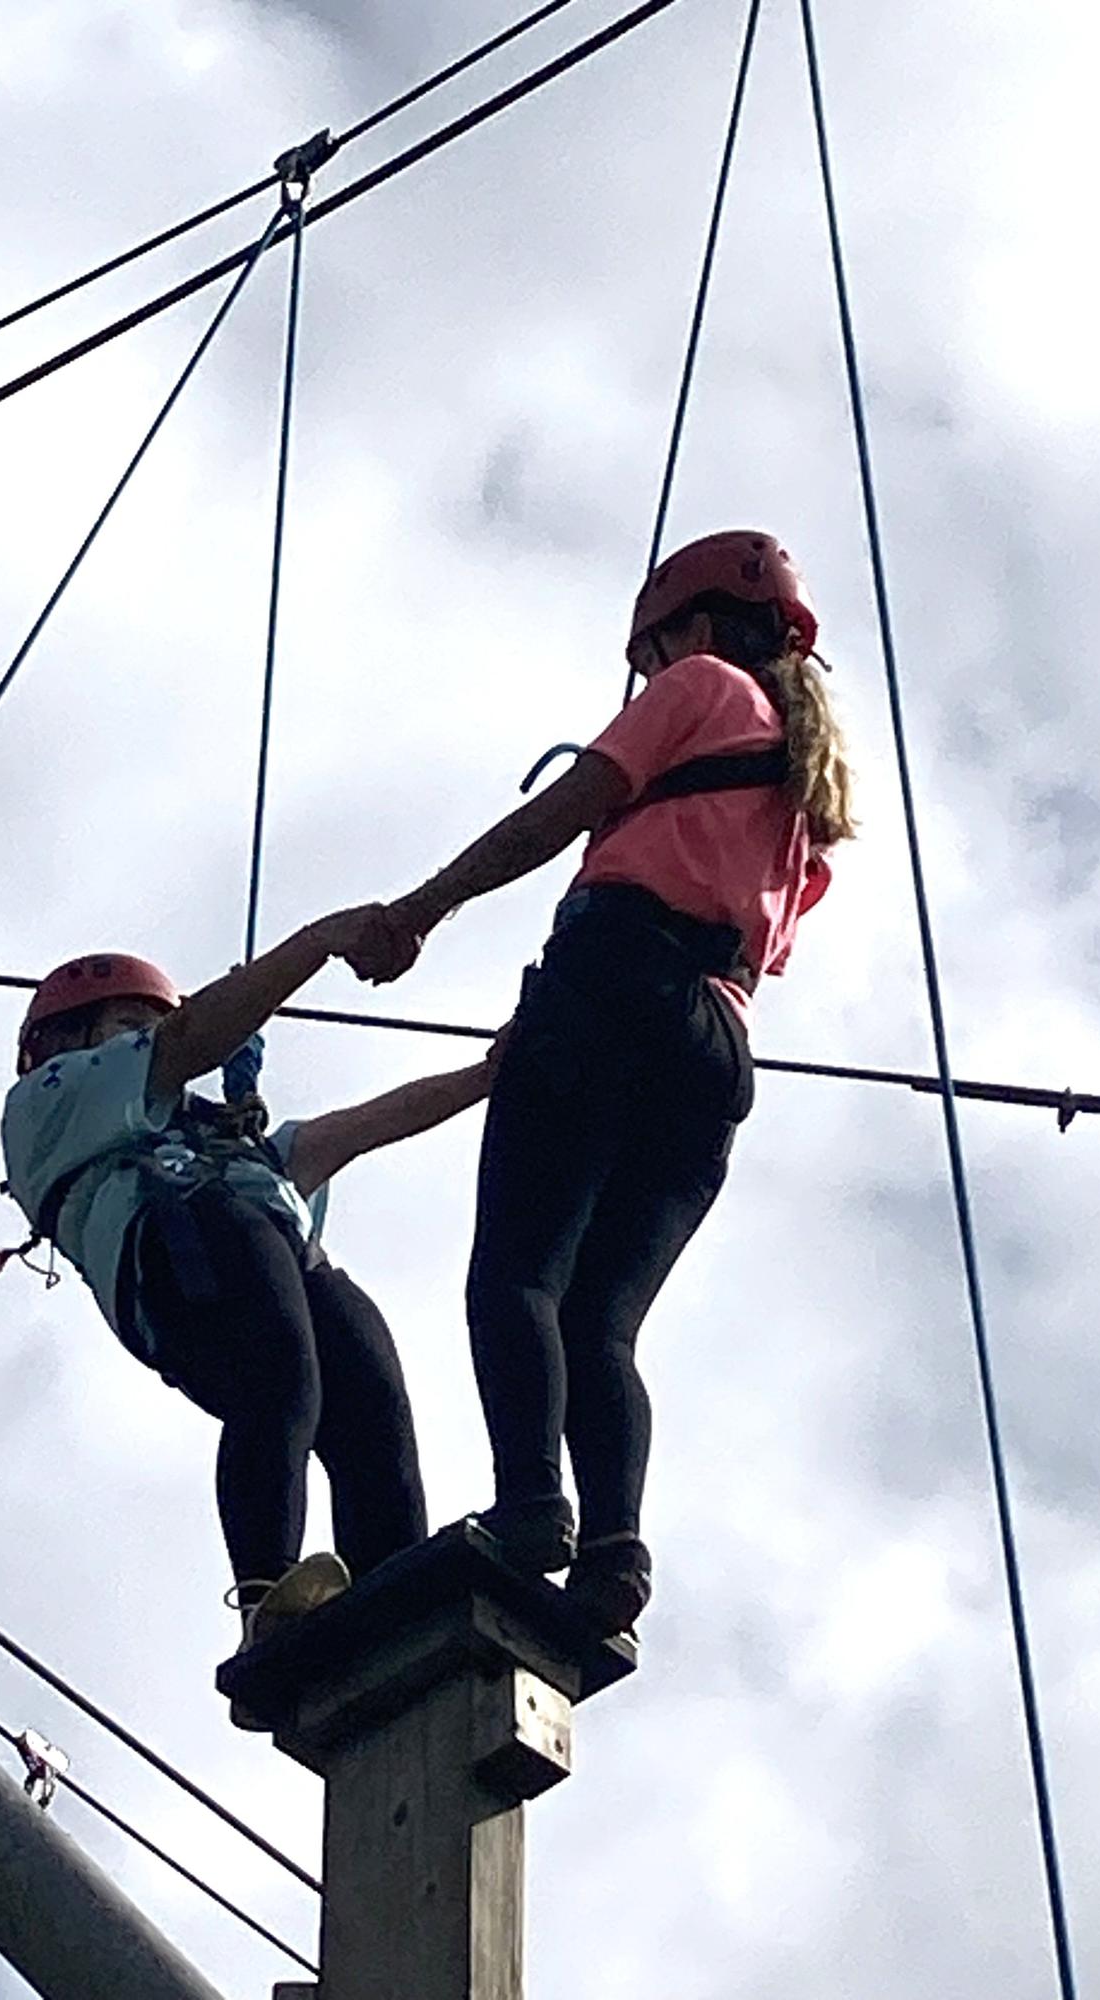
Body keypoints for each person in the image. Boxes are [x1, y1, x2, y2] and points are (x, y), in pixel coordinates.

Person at [345, 531, 855, 1635]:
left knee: (516, 1274)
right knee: (601, 1323)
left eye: (661, 643)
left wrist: (419, 909)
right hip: (715, 1049)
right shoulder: (803, 805)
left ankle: (535, 1504)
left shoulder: (701, 688)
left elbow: (559, 814)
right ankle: (616, 1552)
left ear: (700, 629)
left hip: (613, 978)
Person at [0, 913, 493, 1658]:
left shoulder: (230, 1143)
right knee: (281, 1375)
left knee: (367, 1393)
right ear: (64, 1041)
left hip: (244, 1245)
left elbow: (347, 1131)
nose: (143, 1037)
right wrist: (323, 940)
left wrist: (492, 1072)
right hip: (175, 1251)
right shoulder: (54, 1099)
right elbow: (191, 1039)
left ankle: (395, 1592)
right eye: (127, 1022)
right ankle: (264, 1597)